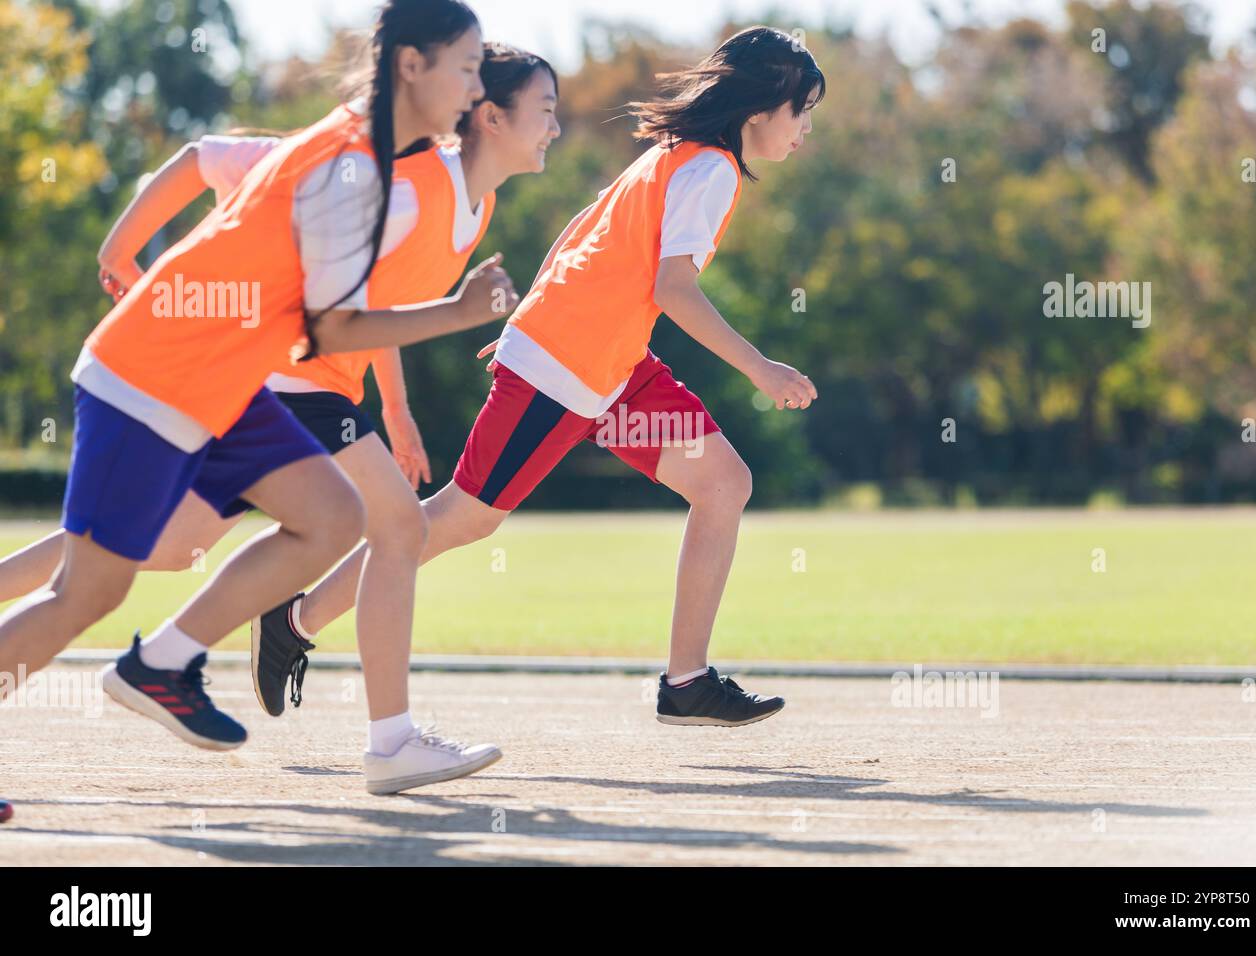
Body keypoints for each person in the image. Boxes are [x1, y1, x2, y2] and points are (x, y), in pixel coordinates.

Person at [0, 38, 557, 794]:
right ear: (416, 72)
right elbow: (331, 315)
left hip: (234, 380)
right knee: (390, 525)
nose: (471, 90)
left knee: (165, 547)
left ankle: (168, 661)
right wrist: (118, 254)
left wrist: (395, 404)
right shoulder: (376, 175)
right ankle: (379, 738)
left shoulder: (428, 183)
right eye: (464, 70)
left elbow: (366, 300)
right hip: (218, 373)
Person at [255, 25, 825, 728]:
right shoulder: (708, 169)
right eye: (803, 110)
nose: (805, 128)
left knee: (723, 483)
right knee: (462, 518)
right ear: (761, 108)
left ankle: (686, 682)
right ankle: (295, 620)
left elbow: (583, 228)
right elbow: (674, 289)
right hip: (564, 366)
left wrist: (524, 316)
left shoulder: (679, 157)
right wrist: (761, 369)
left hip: (612, 372)